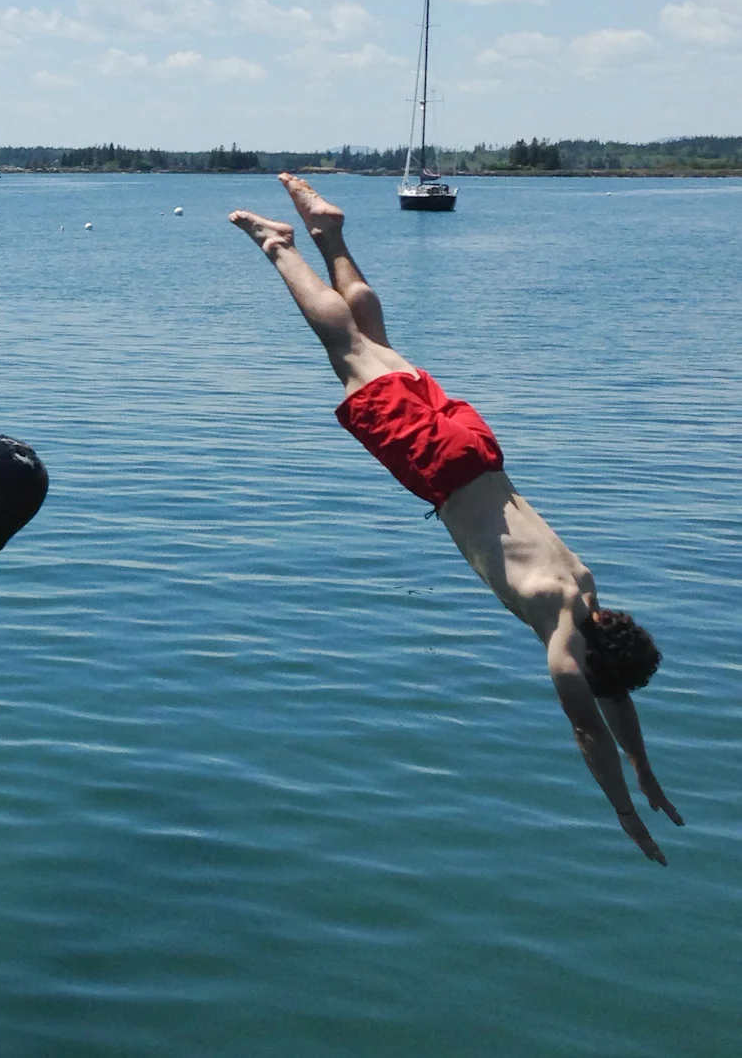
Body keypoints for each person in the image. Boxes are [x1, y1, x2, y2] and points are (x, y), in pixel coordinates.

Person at [230, 173, 682, 864]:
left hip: (478, 448)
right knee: (347, 352)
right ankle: (280, 246)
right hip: (441, 469)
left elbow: (613, 701)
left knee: (376, 342)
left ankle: (330, 235)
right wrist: (624, 809)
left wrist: (645, 766)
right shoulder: (561, 640)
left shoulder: (586, 592)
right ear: (593, 663)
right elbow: (590, 728)